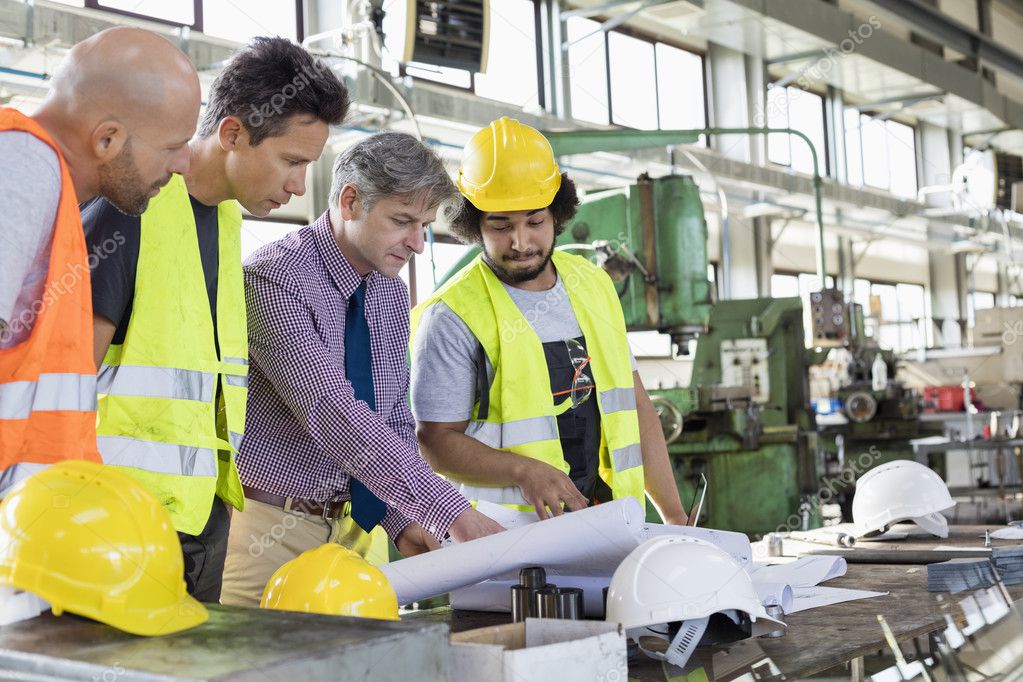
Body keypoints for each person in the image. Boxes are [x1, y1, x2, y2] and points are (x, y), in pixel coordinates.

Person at [81, 37, 348, 602]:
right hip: (118, 527)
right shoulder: (128, 209)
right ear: (232, 135)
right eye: (292, 161)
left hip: (202, 525)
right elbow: (66, 382)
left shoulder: (227, 222)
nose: (300, 186)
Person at [220, 132, 503, 607]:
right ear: (350, 201)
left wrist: (402, 519)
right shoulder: (273, 278)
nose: (416, 242)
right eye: (403, 221)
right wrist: (449, 511)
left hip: (355, 534)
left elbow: (390, 420)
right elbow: (333, 413)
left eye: (425, 225)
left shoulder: (389, 291)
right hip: (268, 534)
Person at [410, 117, 690, 525]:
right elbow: (435, 443)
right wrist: (524, 472)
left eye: (535, 222)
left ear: (556, 214)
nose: (520, 242)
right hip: (504, 541)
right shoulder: (453, 315)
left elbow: (633, 404)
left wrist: (675, 516)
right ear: (473, 223)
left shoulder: (592, 284)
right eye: (500, 226)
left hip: (609, 521)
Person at [0, 27, 200, 493]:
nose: (184, 165)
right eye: (174, 146)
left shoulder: (45, 183)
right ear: (107, 139)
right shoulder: (23, 166)